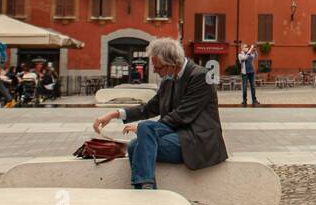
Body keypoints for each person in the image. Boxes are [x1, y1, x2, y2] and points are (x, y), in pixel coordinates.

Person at [93, 38, 228, 190]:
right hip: (178, 136)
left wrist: (145, 128)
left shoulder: (201, 76)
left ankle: (146, 190)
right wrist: (114, 114)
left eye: (158, 67)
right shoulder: (168, 80)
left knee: (144, 130)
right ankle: (146, 188)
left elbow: (183, 115)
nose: (155, 71)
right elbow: (150, 108)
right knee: (133, 145)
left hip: (199, 141)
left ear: (172, 64)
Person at [238, 42, 260, 107]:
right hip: (244, 73)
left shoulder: (250, 54)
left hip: (251, 72)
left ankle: (254, 100)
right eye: (245, 47)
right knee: (244, 87)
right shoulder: (240, 55)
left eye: (247, 47)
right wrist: (251, 48)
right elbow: (245, 58)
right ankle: (244, 101)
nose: (247, 48)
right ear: (242, 48)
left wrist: (255, 51)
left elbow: (255, 56)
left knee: (253, 87)